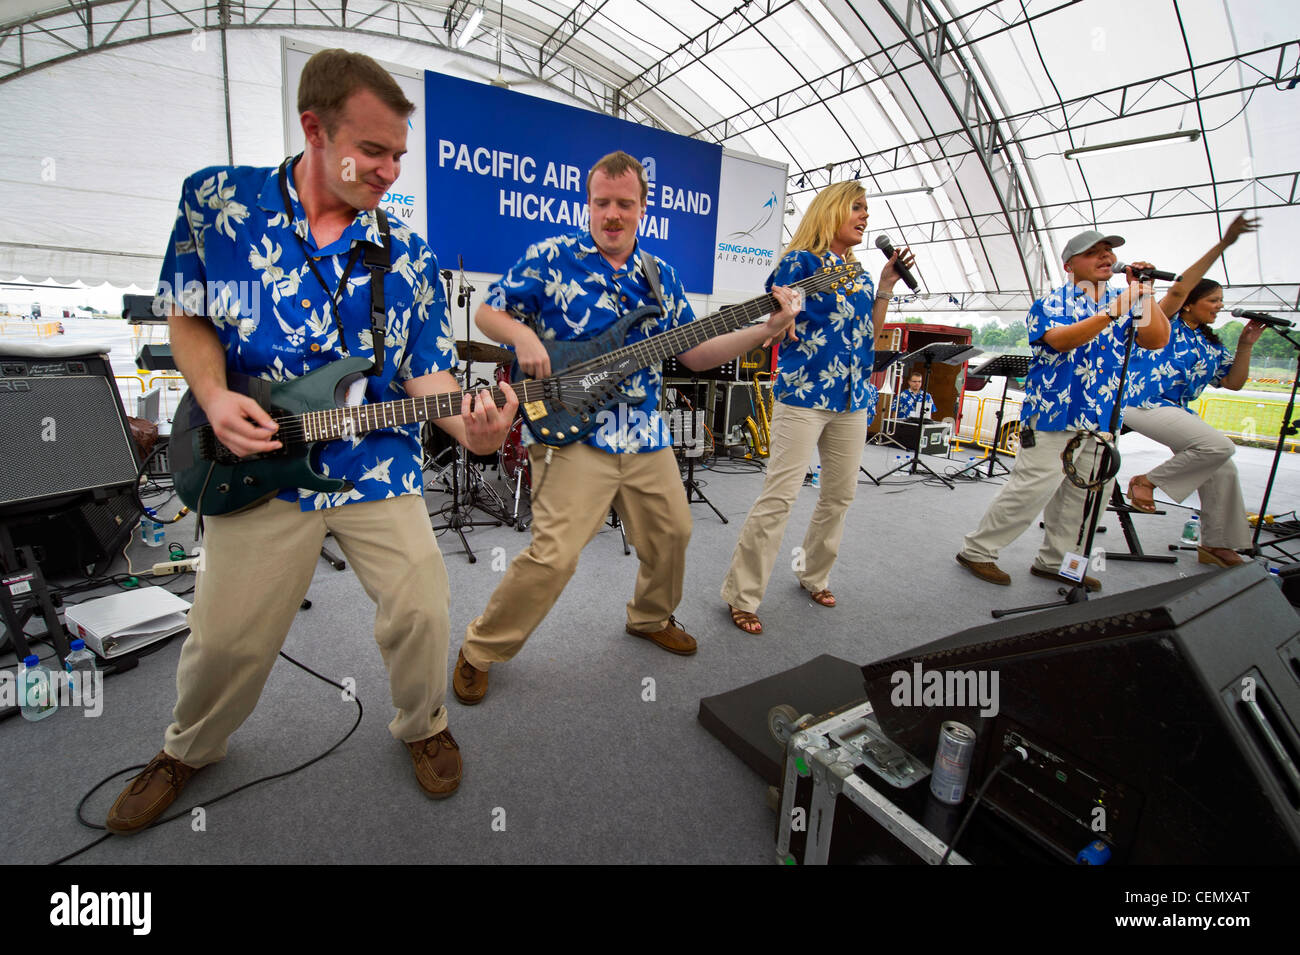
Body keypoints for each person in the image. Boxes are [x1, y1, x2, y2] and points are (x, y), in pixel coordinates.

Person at [106, 49, 517, 834]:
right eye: (373, 151)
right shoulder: (218, 201)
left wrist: (475, 427)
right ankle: (188, 746)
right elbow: (187, 312)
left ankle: (422, 721)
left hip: (373, 461)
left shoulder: (410, 256)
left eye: (399, 154)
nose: (390, 170)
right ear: (314, 129)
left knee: (426, 606)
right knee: (223, 638)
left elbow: (428, 375)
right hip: (253, 461)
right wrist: (214, 394)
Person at [452, 151, 798, 703]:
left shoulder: (661, 275)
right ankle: (480, 647)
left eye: (624, 204)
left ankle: (649, 616)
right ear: (588, 203)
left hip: (643, 433)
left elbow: (698, 354)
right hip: (570, 433)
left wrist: (766, 329)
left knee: (674, 534)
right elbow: (488, 313)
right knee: (555, 556)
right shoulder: (552, 257)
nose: (612, 214)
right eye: (601, 202)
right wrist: (521, 336)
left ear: (643, 207)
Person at [720, 181, 911, 634]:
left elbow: (868, 330)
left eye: (868, 210)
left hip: (852, 396)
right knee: (781, 495)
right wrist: (781, 322)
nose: (865, 217)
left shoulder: (860, 273)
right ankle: (742, 595)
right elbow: (778, 319)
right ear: (831, 211)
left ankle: (813, 573)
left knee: (839, 494)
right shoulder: (801, 263)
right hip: (805, 392)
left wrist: (884, 285)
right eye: (857, 208)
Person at [955, 229, 1169, 589]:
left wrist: (1146, 297)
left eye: (1109, 252)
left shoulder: (1127, 298)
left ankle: (1055, 561)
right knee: (1032, 489)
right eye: (1094, 252)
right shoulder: (1053, 303)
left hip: (1102, 415)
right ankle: (978, 551)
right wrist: (1114, 310)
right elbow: (1061, 341)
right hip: (1056, 412)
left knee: (1086, 498)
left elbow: (1157, 339)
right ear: (1070, 264)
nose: (1105, 257)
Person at [1123, 214, 1263, 566]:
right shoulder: (1166, 321)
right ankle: (1146, 481)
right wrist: (1224, 244)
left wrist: (1246, 344)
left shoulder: (1212, 345)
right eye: (1213, 299)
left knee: (1222, 465)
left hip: (1175, 410)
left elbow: (1233, 382)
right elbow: (1179, 287)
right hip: (1141, 401)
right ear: (1190, 303)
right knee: (1219, 446)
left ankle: (1216, 544)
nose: (1220, 306)